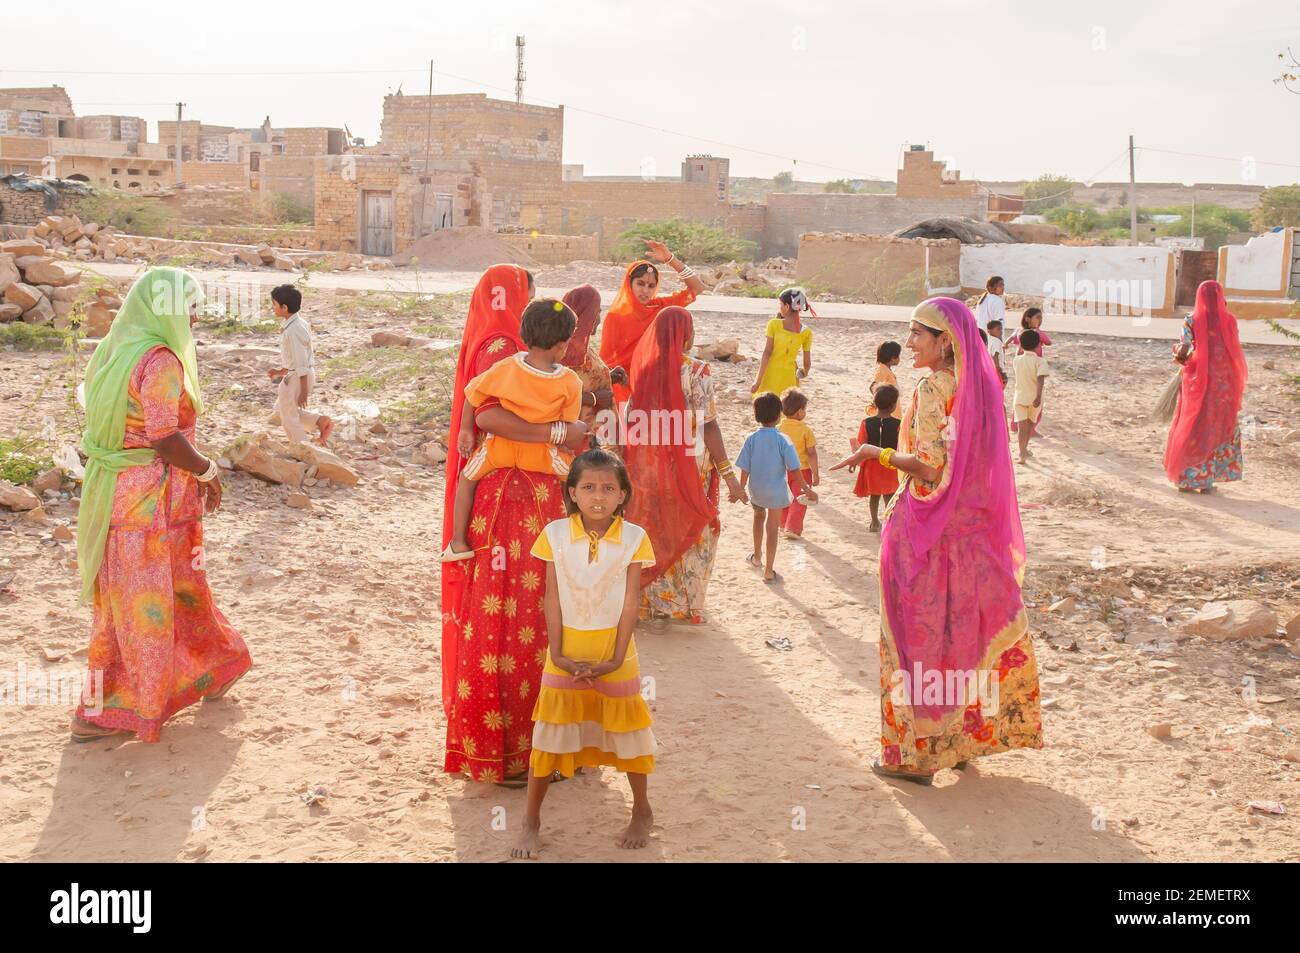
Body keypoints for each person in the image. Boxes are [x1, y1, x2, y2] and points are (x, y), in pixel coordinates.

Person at [831, 296, 1042, 785]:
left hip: (924, 531)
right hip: (970, 534)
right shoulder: (978, 389)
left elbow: (929, 466)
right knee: (960, 634)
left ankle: (913, 757)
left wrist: (875, 453)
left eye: (917, 335)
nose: (909, 344)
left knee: (916, 636)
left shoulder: (931, 388)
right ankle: (958, 742)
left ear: (944, 342)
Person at [71, 266, 251, 743]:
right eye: (188, 306)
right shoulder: (161, 362)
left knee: (159, 592)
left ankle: (214, 668)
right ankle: (113, 710)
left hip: (116, 496)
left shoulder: (114, 350)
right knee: (147, 603)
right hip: (152, 504)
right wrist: (208, 470)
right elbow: (165, 437)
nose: (194, 316)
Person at [441, 264, 587, 786]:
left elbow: (475, 408)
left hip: (502, 494)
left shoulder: (503, 361)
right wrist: (549, 433)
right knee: (541, 616)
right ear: (565, 342)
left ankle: (509, 751)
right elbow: (568, 434)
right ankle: (532, 751)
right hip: (538, 499)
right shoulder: (558, 377)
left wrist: (474, 433)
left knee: (504, 617)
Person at [511, 449, 658, 859]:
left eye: (609, 488)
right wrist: (557, 653)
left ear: (623, 494)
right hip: (566, 650)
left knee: (627, 733)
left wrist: (614, 657)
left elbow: (631, 603)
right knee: (549, 733)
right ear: (572, 492)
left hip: (616, 650)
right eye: (589, 487)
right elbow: (551, 599)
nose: (599, 495)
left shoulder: (634, 538)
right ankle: (530, 822)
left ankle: (641, 810)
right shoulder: (554, 535)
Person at [623, 307, 746, 623]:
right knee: (693, 527)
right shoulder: (697, 371)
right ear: (686, 334)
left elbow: (632, 422)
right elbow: (710, 425)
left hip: (652, 468)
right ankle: (685, 605)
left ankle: (651, 603)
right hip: (691, 467)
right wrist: (729, 475)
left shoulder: (645, 369)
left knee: (658, 527)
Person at [442, 299, 582, 561]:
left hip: (499, 450)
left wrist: (465, 430)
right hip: (542, 455)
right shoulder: (569, 382)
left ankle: (458, 542)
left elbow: (472, 393)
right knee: (575, 482)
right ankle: (577, 541)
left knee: (467, 480)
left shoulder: (506, 367)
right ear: (563, 345)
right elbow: (568, 428)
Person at [1164, 279, 1247, 493]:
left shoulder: (1191, 320)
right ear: (1221, 297)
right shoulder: (1229, 321)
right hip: (1223, 385)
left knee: (1194, 425)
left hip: (1197, 384)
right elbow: (1234, 351)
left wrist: (1182, 360)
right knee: (1216, 426)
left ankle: (1188, 479)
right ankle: (1208, 481)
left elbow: (1184, 349)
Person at [598, 241, 703, 401]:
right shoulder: (616, 316)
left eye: (651, 285)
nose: (645, 291)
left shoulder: (660, 307)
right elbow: (607, 361)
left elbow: (696, 288)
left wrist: (670, 259)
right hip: (624, 386)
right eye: (640, 284)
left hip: (655, 383)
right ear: (629, 283)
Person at [736, 391, 816, 583]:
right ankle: (769, 570)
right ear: (779, 413)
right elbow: (795, 469)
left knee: (757, 519)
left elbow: (744, 467)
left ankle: (756, 557)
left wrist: (740, 488)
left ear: (756, 415)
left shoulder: (751, 438)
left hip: (756, 490)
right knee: (772, 529)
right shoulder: (783, 440)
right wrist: (806, 489)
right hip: (776, 491)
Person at [560, 284, 626, 450]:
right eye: (596, 311)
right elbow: (556, 395)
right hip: (586, 439)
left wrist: (607, 377)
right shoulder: (564, 351)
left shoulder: (582, 347)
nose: (598, 318)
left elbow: (581, 379)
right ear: (585, 314)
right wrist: (594, 398)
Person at [268, 284, 332, 446]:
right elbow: (295, 357)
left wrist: (303, 390)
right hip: (295, 374)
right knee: (280, 410)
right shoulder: (298, 323)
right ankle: (320, 421)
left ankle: (302, 448)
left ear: (284, 307)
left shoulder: (293, 330)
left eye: (274, 304)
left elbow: (301, 361)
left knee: (289, 418)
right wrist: (281, 371)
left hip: (299, 377)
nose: (272, 307)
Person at [848, 383, 901, 532]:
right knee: (889, 495)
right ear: (893, 406)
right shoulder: (898, 424)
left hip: (872, 466)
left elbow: (861, 447)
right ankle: (888, 520)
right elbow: (900, 446)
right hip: (890, 464)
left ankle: (874, 521)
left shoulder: (866, 423)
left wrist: (855, 461)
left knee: (875, 495)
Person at [752, 287, 815, 396]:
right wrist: (804, 372)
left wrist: (758, 381)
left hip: (770, 374)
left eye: (780, 304)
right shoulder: (807, 333)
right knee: (785, 409)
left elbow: (767, 353)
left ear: (786, 306)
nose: (779, 308)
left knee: (766, 408)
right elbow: (807, 364)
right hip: (789, 378)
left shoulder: (774, 324)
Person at [777, 388, 819, 539]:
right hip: (802, 470)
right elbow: (811, 453)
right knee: (800, 499)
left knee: (783, 498)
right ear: (800, 411)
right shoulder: (805, 430)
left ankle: (783, 525)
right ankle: (793, 528)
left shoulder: (778, 428)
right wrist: (815, 474)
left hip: (781, 470)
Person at [1012, 329, 1049, 463]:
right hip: (1034, 399)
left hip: (1019, 397)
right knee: (1029, 426)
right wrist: (1038, 397)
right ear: (1038, 345)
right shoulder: (1040, 362)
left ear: (1021, 344)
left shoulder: (1016, 360)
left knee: (1022, 427)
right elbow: (1040, 380)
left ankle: (1022, 452)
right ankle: (1024, 449)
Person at [866, 341, 903, 419]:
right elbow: (874, 386)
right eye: (898, 356)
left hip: (893, 407)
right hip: (888, 410)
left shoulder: (886, 369)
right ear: (893, 358)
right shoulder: (882, 370)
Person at [986, 318, 1008, 386]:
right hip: (999, 370)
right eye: (998, 329)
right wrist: (999, 369)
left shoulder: (989, 339)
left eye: (1001, 329)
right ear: (989, 331)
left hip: (991, 370)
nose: (1001, 331)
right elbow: (995, 355)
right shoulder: (996, 341)